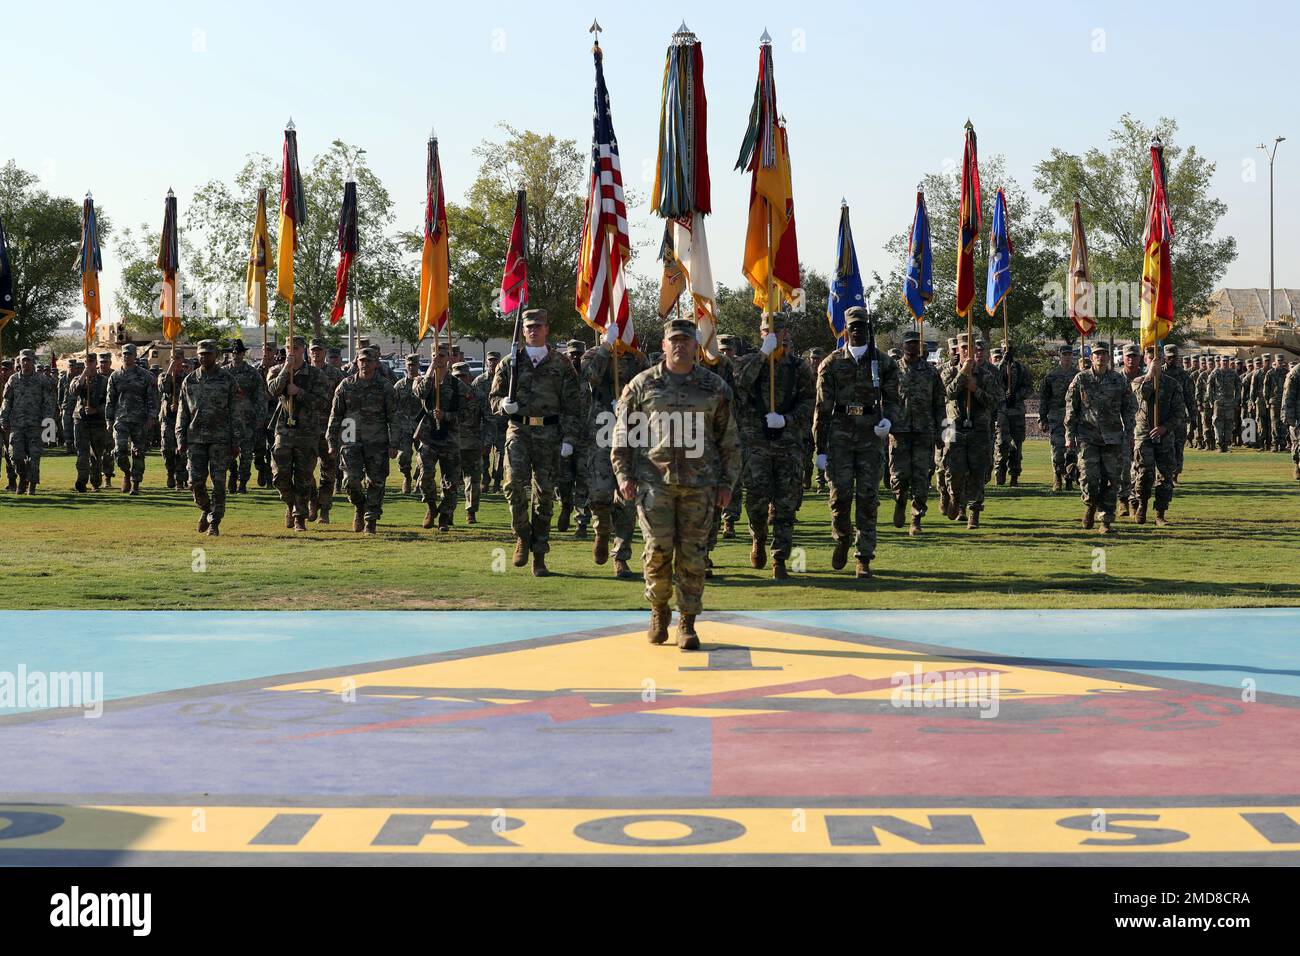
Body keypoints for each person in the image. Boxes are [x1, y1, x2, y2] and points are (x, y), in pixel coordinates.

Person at [612, 317, 740, 650]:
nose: (680, 345)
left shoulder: (714, 387)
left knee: (694, 555)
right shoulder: (642, 385)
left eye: (686, 340)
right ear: (664, 345)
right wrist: (624, 475)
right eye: (674, 340)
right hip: (654, 484)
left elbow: (728, 440)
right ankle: (658, 611)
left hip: (701, 485)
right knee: (657, 551)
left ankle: (688, 621)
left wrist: (727, 483)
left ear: (696, 346)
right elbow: (623, 434)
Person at [488, 308, 581, 577]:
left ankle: (539, 554)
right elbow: (494, 399)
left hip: (550, 434)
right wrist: (503, 406)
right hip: (518, 429)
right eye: (529, 326)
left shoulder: (561, 364)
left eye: (538, 326)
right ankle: (522, 534)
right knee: (512, 485)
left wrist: (570, 438)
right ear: (523, 330)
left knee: (544, 496)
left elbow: (573, 406)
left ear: (547, 329)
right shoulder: (509, 362)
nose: (533, 330)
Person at [813, 307, 899, 577]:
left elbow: (894, 400)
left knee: (868, 497)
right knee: (840, 497)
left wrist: (890, 421)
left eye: (862, 325)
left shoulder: (884, 363)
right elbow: (822, 408)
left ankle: (864, 556)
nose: (858, 329)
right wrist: (820, 449)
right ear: (845, 330)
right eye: (853, 325)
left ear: (869, 328)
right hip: (839, 435)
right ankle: (842, 538)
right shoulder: (831, 363)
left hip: (870, 436)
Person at [733, 312, 815, 578]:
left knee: (786, 503)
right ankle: (758, 538)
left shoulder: (798, 366)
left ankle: (780, 557)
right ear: (760, 333)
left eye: (777, 331)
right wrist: (762, 355)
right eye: (767, 330)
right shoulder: (747, 362)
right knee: (756, 501)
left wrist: (787, 419)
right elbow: (741, 384)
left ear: (785, 333)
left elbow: (808, 402)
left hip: (788, 442)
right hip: (755, 441)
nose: (772, 334)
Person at [580, 332, 649, 578]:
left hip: (630, 433)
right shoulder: (591, 355)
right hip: (600, 431)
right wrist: (606, 347)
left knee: (627, 497)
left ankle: (621, 556)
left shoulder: (638, 360)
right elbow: (593, 376)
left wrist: (628, 402)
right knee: (599, 492)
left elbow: (648, 390)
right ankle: (601, 529)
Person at [1065, 344, 1136, 533]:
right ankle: (1090, 506)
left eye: (1104, 354)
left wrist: (1129, 434)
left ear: (1109, 357)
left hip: (1112, 438)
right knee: (1089, 478)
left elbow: (1128, 409)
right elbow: (1072, 409)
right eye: (1097, 354)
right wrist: (1069, 436)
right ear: (1092, 357)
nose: (1101, 357)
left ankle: (1105, 520)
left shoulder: (1118, 380)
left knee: (1112, 480)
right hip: (1087, 437)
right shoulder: (1081, 379)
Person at [328, 346, 399, 535]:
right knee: (350, 481)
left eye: (369, 361)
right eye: (361, 360)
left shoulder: (385, 387)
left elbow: (394, 417)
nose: (365, 364)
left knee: (376, 482)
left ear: (376, 364)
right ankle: (360, 507)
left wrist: (394, 443)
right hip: (350, 438)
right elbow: (335, 415)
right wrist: (331, 441)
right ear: (356, 362)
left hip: (377, 441)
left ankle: (371, 520)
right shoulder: (346, 385)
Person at [267, 336, 332, 531]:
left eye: (295, 348)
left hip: (307, 431)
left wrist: (300, 393)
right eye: (288, 348)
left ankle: (299, 518)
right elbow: (273, 390)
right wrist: (286, 371)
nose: (291, 352)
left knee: (303, 477)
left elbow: (322, 403)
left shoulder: (316, 375)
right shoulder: (277, 370)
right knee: (280, 475)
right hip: (284, 430)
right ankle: (290, 503)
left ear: (303, 349)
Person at [176, 340, 240, 535]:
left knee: (219, 482)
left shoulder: (227, 380)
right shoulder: (190, 380)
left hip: (221, 438)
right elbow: (183, 411)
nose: (204, 357)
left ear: (216, 355)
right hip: (195, 438)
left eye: (208, 354)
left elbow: (235, 411)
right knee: (194, 482)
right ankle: (205, 509)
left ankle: (215, 521)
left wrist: (236, 440)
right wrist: (180, 437)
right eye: (201, 354)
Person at [941, 333, 1002, 529]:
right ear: (958, 350)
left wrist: (976, 390)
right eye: (963, 348)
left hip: (979, 428)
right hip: (952, 427)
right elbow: (947, 393)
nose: (968, 352)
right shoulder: (948, 372)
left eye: (971, 348)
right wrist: (962, 375)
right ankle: (955, 498)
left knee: (978, 470)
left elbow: (995, 401)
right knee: (953, 469)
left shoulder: (986, 376)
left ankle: (974, 511)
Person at [888, 328, 944, 537]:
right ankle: (900, 502)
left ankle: (916, 519)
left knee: (921, 477)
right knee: (899, 476)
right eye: (909, 343)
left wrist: (940, 432)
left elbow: (939, 403)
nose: (912, 346)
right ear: (903, 345)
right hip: (899, 432)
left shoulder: (930, 372)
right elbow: (886, 400)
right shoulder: (892, 371)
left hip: (924, 431)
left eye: (915, 342)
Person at [412, 346, 463, 532]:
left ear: (449, 358)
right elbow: (420, 393)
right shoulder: (422, 380)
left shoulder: (457, 385)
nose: (438, 359)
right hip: (428, 436)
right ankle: (432, 508)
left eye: (441, 356)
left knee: (451, 481)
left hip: (449, 438)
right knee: (425, 475)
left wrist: (446, 416)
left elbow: (467, 413)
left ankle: (445, 514)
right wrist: (430, 371)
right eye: (434, 356)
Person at [1131, 361, 1186, 526]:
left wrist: (1165, 428)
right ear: (1146, 361)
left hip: (1164, 436)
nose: (1154, 361)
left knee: (1165, 476)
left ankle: (1160, 514)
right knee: (1144, 474)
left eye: (1157, 359)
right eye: (1150, 358)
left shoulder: (1172, 384)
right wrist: (1149, 375)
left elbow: (1179, 412)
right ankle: (1142, 505)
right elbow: (1143, 395)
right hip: (1143, 435)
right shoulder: (1138, 381)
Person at [0, 349, 57, 494]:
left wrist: (47, 424)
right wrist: (3, 420)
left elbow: (48, 403)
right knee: (15, 456)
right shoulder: (13, 380)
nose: (25, 363)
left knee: (34, 458)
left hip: (36, 426)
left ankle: (31, 486)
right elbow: (7, 402)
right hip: (17, 425)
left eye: (28, 360)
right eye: (23, 360)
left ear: (33, 361)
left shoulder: (41, 380)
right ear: (19, 361)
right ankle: (23, 477)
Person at [104, 343, 158, 495]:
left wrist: (151, 417)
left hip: (140, 420)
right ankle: (127, 473)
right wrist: (108, 420)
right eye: (125, 354)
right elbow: (110, 400)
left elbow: (152, 399)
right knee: (119, 451)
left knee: (138, 452)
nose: (127, 356)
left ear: (135, 356)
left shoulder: (145, 376)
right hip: (120, 419)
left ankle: (135, 483)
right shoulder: (115, 376)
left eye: (130, 354)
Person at [556, 339, 591, 537]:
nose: (575, 357)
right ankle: (565, 507)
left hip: (584, 438)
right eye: (572, 354)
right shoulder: (561, 378)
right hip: (563, 437)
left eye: (578, 354)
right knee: (563, 480)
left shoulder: (590, 377)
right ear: (567, 356)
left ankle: (581, 523)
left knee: (583, 480)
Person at [308, 340, 345, 522]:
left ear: (325, 353)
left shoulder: (336, 375)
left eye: (319, 351)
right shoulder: (302, 373)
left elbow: (344, 404)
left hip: (329, 429)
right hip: (306, 429)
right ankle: (312, 501)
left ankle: (325, 509)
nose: (316, 354)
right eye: (313, 351)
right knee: (305, 470)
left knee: (328, 471)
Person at [224, 340, 266, 495]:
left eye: (239, 353)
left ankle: (242, 482)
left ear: (243, 354)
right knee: (228, 453)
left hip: (247, 420)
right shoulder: (223, 372)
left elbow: (260, 396)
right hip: (228, 421)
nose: (236, 355)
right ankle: (233, 473)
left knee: (247, 454)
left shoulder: (252, 373)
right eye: (233, 353)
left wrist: (260, 418)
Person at [453, 360, 488, 525]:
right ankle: (447, 512)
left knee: (473, 480)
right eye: (457, 376)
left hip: (472, 443)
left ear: (469, 377)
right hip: (450, 443)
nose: (460, 379)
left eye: (463, 376)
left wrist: (486, 441)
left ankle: (471, 512)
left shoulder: (479, 395)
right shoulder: (446, 395)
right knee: (450, 480)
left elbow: (488, 420)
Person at [994, 342, 1031, 486]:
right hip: (1002, 411)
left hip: (1017, 411)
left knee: (1017, 444)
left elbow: (1028, 387)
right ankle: (1000, 471)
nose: (1007, 352)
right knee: (1002, 443)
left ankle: (1014, 475)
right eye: (1004, 349)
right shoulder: (997, 367)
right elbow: (994, 379)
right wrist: (1003, 361)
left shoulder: (1021, 369)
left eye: (1009, 349)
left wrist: (1016, 396)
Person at [392, 354, 423, 496]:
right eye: (409, 365)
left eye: (414, 365)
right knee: (403, 456)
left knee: (423, 457)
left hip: (421, 426)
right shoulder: (399, 385)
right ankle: (406, 476)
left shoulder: (424, 384)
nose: (411, 367)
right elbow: (393, 407)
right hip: (404, 427)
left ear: (418, 366)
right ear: (406, 366)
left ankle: (419, 480)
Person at [474, 352, 506, 492]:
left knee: (500, 454)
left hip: (501, 423)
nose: (492, 363)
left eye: (495, 360)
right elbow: (473, 403)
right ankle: (485, 479)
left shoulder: (505, 379)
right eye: (490, 360)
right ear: (486, 362)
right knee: (483, 454)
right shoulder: (479, 381)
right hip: (485, 424)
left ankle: (497, 481)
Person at [1206, 355, 1240, 452]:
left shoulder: (1233, 373)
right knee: (1218, 424)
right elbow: (1209, 388)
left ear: (1229, 362)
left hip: (1230, 402)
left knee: (1229, 424)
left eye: (1226, 361)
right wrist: (1212, 402)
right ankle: (1220, 445)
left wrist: (1236, 400)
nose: (1225, 363)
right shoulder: (1215, 372)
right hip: (1219, 403)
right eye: (1223, 361)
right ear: (1220, 362)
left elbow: (1238, 388)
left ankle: (1226, 445)